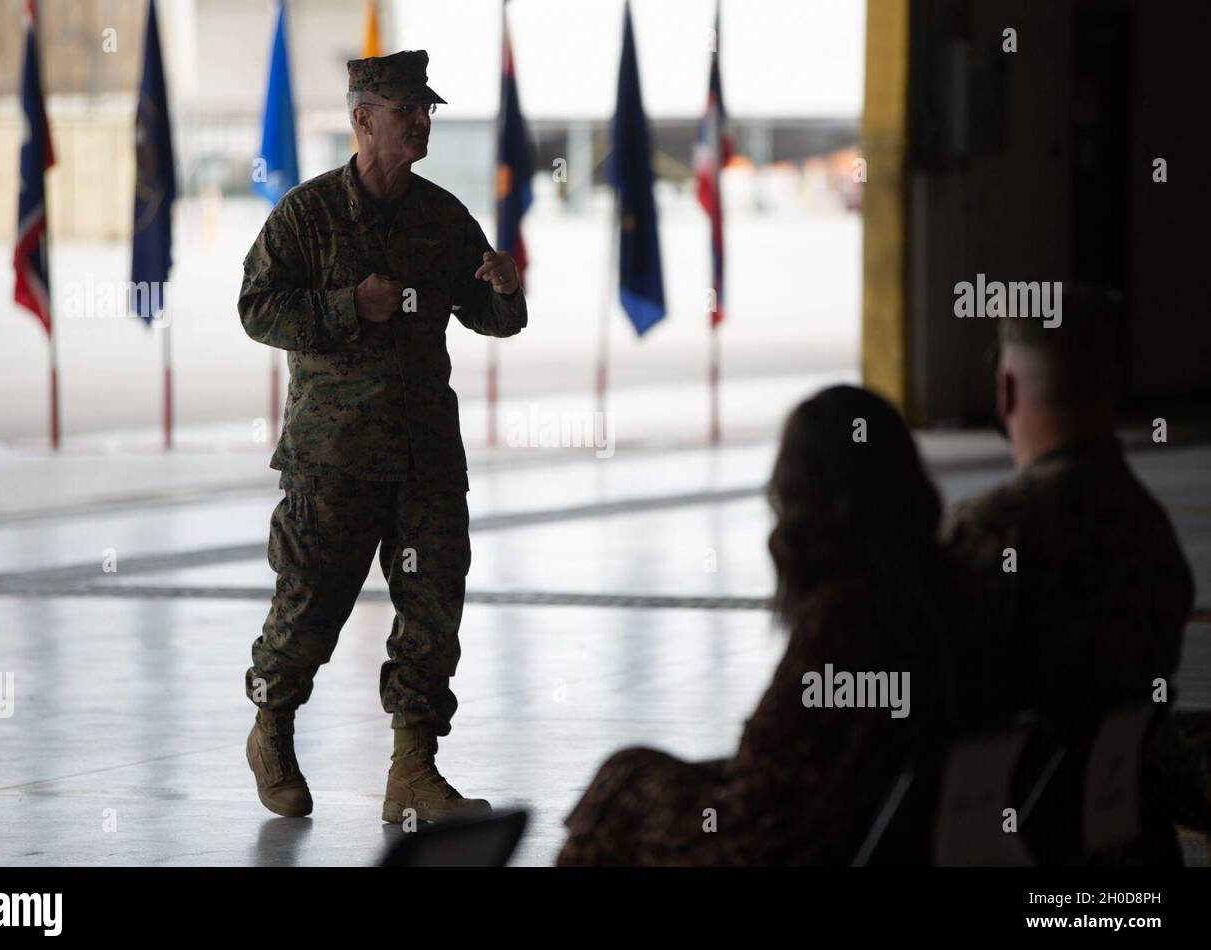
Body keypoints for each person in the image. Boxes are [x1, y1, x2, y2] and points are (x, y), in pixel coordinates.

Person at [239, 51, 527, 823]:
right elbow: (256, 308)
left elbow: (493, 317)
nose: (422, 121)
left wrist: (503, 287)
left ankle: (414, 769)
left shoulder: (442, 217)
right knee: (308, 610)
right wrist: (343, 309)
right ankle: (271, 728)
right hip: (335, 460)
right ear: (364, 120)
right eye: (408, 111)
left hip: (426, 457)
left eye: (427, 110)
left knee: (433, 612)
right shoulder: (307, 216)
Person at [557, 386, 952, 865]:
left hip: (784, 849)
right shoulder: (933, 595)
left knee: (622, 785)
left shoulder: (846, 618)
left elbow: (765, 779)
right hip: (853, 829)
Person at [941, 287, 1196, 862]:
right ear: (1113, 389)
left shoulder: (990, 531)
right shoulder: (1149, 527)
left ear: (1005, 392)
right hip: (1128, 850)